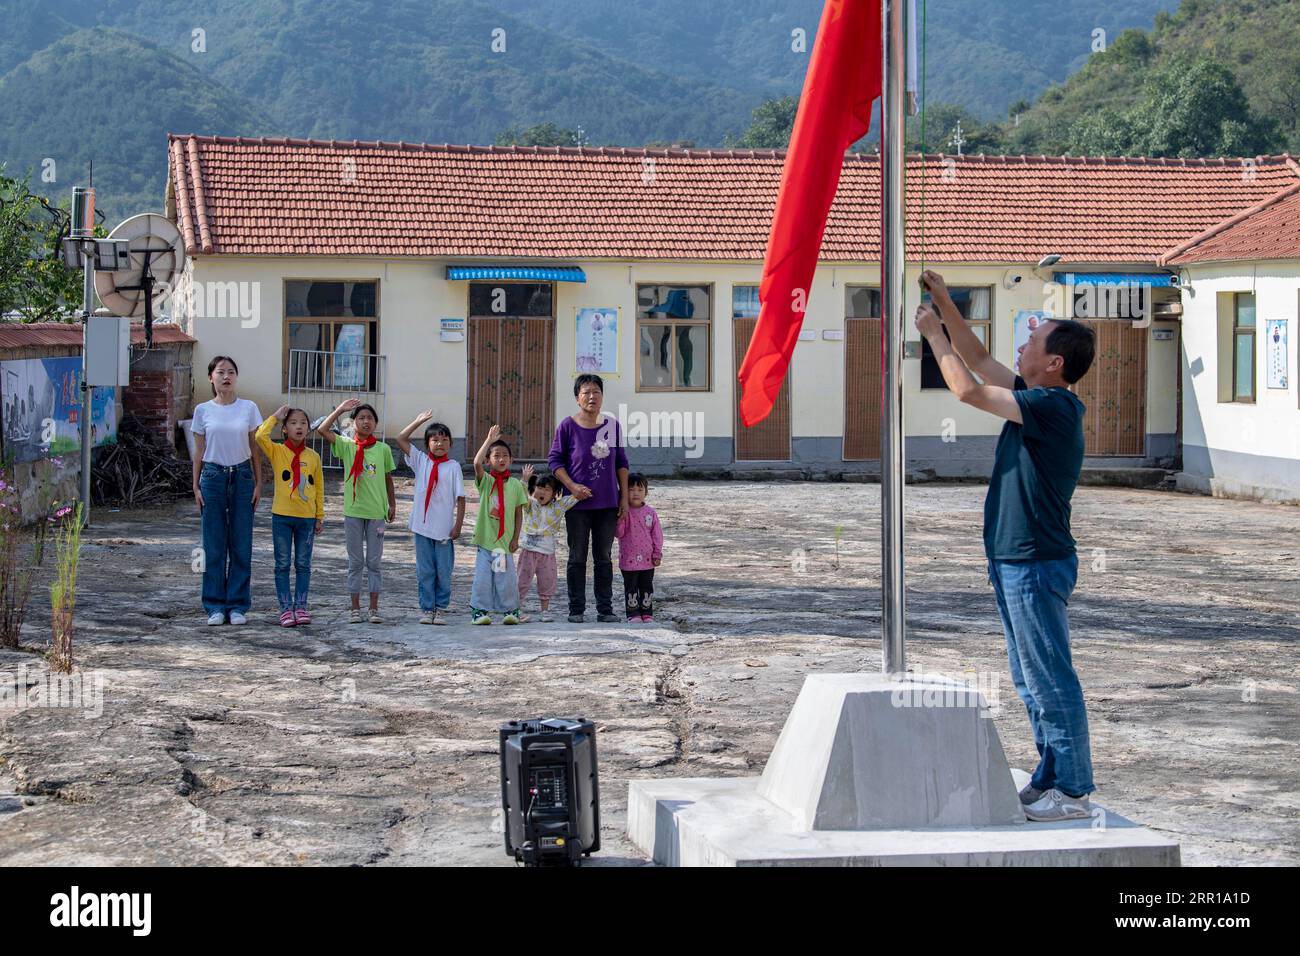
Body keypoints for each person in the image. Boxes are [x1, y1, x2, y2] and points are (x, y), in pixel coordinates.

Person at [915, 269, 1098, 823]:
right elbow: (979, 358)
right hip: (1014, 561)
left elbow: (967, 387)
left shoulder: (1054, 407)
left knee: (1049, 676)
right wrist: (945, 300)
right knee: (1027, 676)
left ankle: (1072, 790)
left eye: (1032, 343)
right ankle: (1048, 775)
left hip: (1036, 563)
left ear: (1055, 362)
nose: (1021, 348)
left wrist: (932, 337)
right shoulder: (1033, 396)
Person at [548, 374, 630, 623]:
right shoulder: (567, 426)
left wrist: (624, 497)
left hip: (607, 504)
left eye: (596, 391)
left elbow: (621, 463)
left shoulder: (612, 426)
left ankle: (605, 609)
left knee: (603, 558)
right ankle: (576, 609)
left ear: (602, 396)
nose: (592, 396)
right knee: (577, 557)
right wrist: (572, 487)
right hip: (577, 505)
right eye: (586, 392)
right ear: (577, 398)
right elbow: (554, 461)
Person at [191, 356, 262, 626]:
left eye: (231, 372)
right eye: (220, 372)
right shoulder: (203, 410)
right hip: (212, 476)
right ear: (211, 377)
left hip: (242, 475)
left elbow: (255, 449)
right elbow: (198, 451)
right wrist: (195, 485)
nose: (226, 377)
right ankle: (214, 605)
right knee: (213, 543)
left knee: (241, 543)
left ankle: (237, 605)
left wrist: (258, 483)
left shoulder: (249, 408)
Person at [316, 398, 396, 624]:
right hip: (353, 512)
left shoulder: (383, 449)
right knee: (355, 562)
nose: (366, 421)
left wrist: (392, 504)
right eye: (361, 418)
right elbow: (322, 429)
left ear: (376, 423)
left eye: (370, 418)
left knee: (374, 562)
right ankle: (354, 608)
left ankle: (373, 609)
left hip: (376, 514)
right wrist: (340, 409)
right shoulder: (347, 445)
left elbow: (388, 478)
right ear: (353, 423)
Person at [256, 405, 325, 627]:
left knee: (303, 564)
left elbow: (320, 488)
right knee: (282, 563)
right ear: (285, 429)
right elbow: (259, 435)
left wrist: (319, 515)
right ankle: (286, 608)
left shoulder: (313, 457)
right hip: (282, 517)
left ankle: (301, 606)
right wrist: (275, 417)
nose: (299, 427)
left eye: (303, 423)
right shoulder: (277, 451)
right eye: (293, 423)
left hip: (306, 518)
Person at [396, 411, 465, 625]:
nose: (440, 443)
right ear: (427, 444)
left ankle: (441, 608)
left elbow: (461, 498)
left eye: (445, 440)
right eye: (435, 440)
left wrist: (458, 526)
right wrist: (418, 421)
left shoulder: (453, 467)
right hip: (422, 527)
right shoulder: (421, 461)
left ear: (451, 444)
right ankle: (427, 609)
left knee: (443, 571)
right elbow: (400, 439)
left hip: (444, 529)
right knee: (425, 570)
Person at [470, 424, 528, 625]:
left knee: (505, 580)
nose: (501, 459)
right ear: (489, 460)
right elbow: (476, 463)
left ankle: (510, 611)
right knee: (483, 580)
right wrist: (488, 440)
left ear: (511, 460)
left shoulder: (515, 486)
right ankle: (479, 611)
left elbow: (518, 513)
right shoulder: (485, 481)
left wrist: (515, 538)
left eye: (505, 455)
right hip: (486, 542)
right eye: (496, 455)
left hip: (502, 544)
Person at [516, 465, 579, 622]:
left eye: (547, 489)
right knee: (522, 580)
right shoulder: (530, 505)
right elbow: (520, 496)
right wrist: (524, 480)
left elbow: (574, 498)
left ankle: (545, 611)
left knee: (547, 581)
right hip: (528, 551)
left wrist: (583, 490)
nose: (542, 492)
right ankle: (516, 609)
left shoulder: (558, 507)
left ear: (554, 494)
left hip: (547, 553)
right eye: (539, 488)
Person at [616, 473, 662, 622]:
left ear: (646, 493)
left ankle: (647, 613)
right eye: (631, 489)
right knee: (631, 588)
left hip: (648, 559)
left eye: (639, 490)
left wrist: (657, 553)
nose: (635, 493)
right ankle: (633, 613)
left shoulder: (650, 513)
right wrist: (620, 518)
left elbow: (657, 535)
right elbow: (618, 533)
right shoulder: (624, 511)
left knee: (646, 587)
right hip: (628, 559)